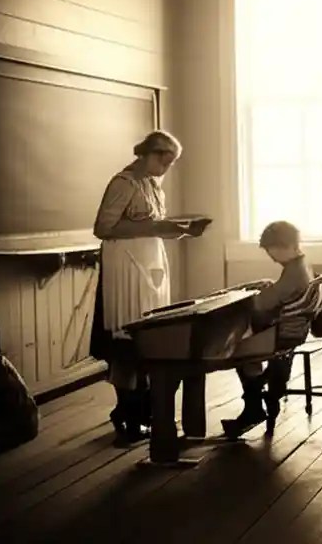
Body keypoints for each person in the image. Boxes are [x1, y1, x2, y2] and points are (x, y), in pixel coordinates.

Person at [91, 130, 206, 446]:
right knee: (128, 337)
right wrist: (154, 227)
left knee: (151, 334)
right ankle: (127, 412)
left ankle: (143, 410)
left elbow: (157, 226)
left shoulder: (153, 186)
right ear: (147, 154)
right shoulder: (123, 184)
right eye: (164, 161)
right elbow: (103, 228)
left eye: (171, 164)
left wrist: (182, 231)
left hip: (150, 261)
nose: (166, 169)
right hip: (126, 265)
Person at [221, 221, 315, 438]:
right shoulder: (300, 266)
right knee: (245, 347)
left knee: (237, 348)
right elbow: (281, 293)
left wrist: (244, 297)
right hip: (291, 330)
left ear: (285, 245)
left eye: (271, 250)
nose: (270, 255)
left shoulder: (294, 273)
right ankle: (257, 399)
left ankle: (253, 409)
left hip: (280, 334)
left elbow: (262, 304)